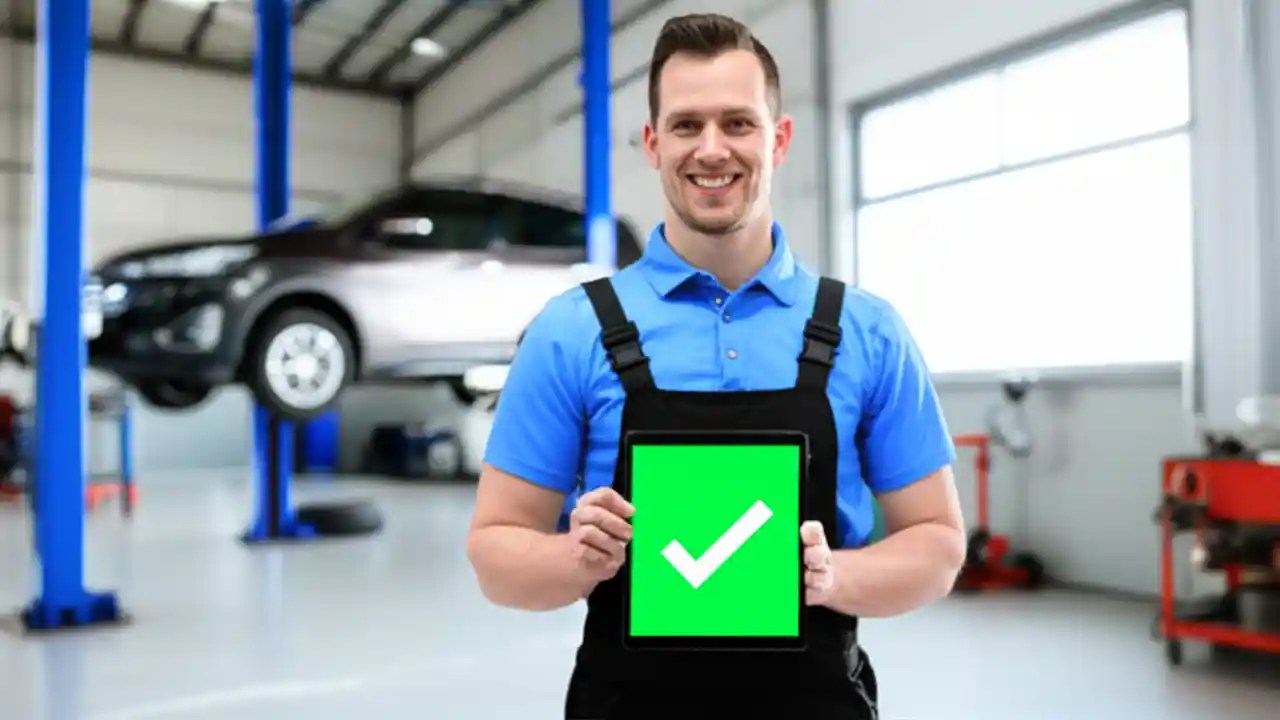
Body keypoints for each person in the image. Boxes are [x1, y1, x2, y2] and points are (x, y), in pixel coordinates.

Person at [467, 12, 966, 719]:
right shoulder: (570, 332)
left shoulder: (868, 332)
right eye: (685, 125)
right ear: (652, 143)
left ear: (779, 138)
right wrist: (573, 560)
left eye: (738, 123)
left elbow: (938, 544)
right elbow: (495, 551)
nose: (711, 149)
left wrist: (834, 577)